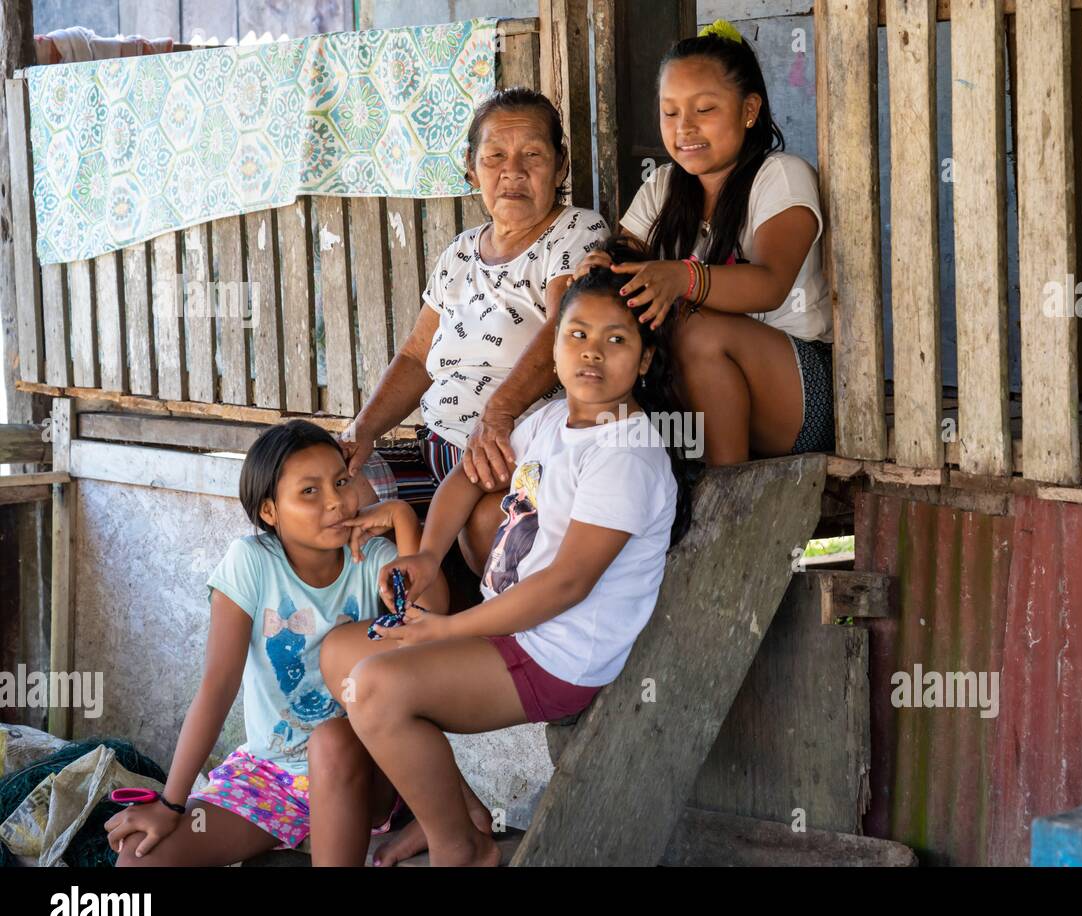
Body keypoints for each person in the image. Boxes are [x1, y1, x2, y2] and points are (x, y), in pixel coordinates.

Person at [312, 238, 697, 866]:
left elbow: (565, 586)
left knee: (375, 689)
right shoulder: (547, 421)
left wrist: (446, 630)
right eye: (575, 335)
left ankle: (460, 849)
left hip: (555, 656)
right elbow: (468, 475)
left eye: (616, 340)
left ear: (646, 358)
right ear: (552, 347)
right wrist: (429, 555)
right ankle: (460, 812)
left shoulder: (625, 453)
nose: (591, 352)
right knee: (339, 653)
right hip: (504, 634)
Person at [106, 421, 426, 865]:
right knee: (140, 858)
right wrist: (171, 803)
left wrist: (403, 522)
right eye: (309, 491)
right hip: (270, 776)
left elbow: (430, 623)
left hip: (366, 769)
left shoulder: (370, 557)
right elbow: (218, 686)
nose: (335, 500)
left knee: (331, 739)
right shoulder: (251, 562)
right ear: (270, 512)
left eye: (340, 482)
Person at [342, 86, 609, 577]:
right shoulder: (460, 252)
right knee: (338, 501)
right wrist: (362, 431)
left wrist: (498, 414)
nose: (513, 172)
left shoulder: (576, 232)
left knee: (484, 522)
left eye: (532, 155)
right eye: (494, 157)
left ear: (561, 165)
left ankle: (479, 644)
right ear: (471, 167)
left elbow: (562, 332)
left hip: (508, 451)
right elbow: (417, 358)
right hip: (434, 447)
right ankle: (389, 632)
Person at [580, 20, 835, 464]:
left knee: (693, 328)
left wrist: (682, 278)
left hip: (797, 395)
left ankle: (728, 498)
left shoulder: (780, 176)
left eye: (705, 110)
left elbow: (772, 283)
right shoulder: (661, 186)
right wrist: (603, 270)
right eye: (671, 111)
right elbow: (625, 263)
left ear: (749, 110)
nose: (685, 128)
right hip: (694, 394)